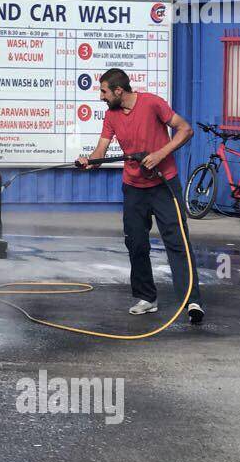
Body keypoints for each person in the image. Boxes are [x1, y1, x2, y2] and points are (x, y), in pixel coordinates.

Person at [76, 68, 204, 323]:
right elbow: (101, 148)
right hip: (133, 187)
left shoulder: (152, 103)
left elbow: (185, 130)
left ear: (118, 91)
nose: (101, 96)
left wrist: (160, 154)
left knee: (177, 242)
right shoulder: (111, 116)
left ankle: (192, 301)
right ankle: (147, 297)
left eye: (103, 91)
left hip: (164, 184)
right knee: (136, 243)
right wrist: (90, 161)